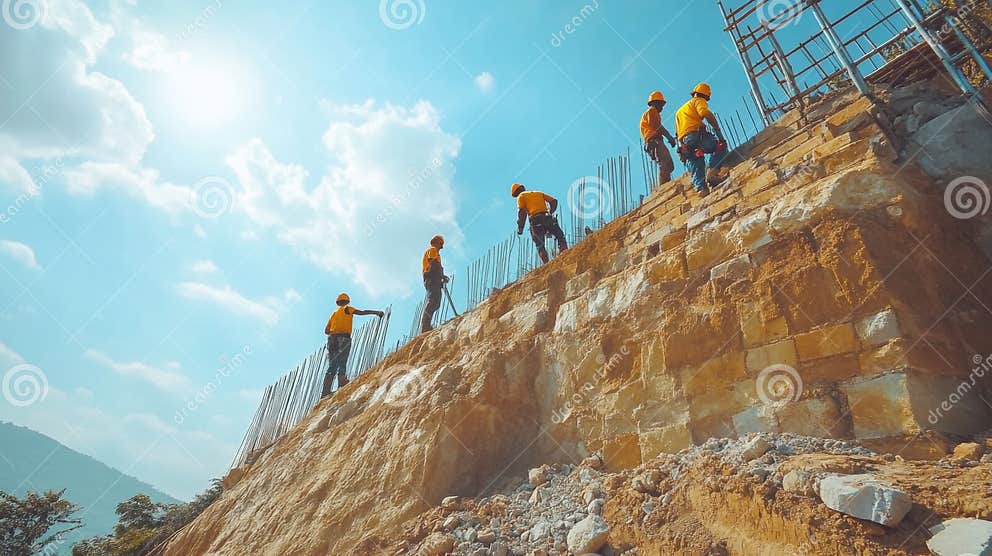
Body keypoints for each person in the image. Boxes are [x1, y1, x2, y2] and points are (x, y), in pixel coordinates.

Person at [322, 293, 384, 397]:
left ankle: (325, 391)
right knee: (342, 359)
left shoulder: (333, 314)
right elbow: (362, 312)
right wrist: (376, 312)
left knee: (332, 364)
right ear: (347, 302)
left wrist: (336, 330)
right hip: (343, 338)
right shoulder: (347, 309)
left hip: (332, 340)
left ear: (338, 302)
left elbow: (326, 331)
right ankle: (342, 381)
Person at [674, 82, 728, 197]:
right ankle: (712, 172)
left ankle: (701, 189)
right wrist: (718, 133)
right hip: (697, 135)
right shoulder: (698, 100)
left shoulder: (679, 111)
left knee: (695, 159)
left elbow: (677, 133)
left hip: (685, 141)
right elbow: (705, 113)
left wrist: (683, 150)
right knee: (720, 147)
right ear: (705, 95)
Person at [511, 183, 568, 264]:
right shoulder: (538, 193)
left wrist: (520, 228)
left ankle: (547, 264)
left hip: (535, 221)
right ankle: (565, 253)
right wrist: (550, 212)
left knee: (540, 244)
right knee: (560, 236)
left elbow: (522, 212)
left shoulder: (521, 196)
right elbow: (553, 201)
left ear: (516, 193)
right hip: (547, 217)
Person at [640, 91, 677, 186]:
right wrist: (669, 136)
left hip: (655, 140)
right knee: (665, 163)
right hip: (654, 141)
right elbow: (656, 126)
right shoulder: (651, 111)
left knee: (669, 165)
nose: (662, 107)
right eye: (661, 104)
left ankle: (666, 185)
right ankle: (664, 188)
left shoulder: (654, 113)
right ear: (656, 103)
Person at [421, 234, 448, 333]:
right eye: (441, 244)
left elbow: (438, 266)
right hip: (431, 276)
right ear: (437, 243)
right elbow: (432, 263)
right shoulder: (432, 250)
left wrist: (441, 276)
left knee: (436, 303)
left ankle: (427, 324)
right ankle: (425, 326)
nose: (442, 247)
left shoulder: (436, 253)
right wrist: (441, 275)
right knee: (432, 300)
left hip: (435, 278)